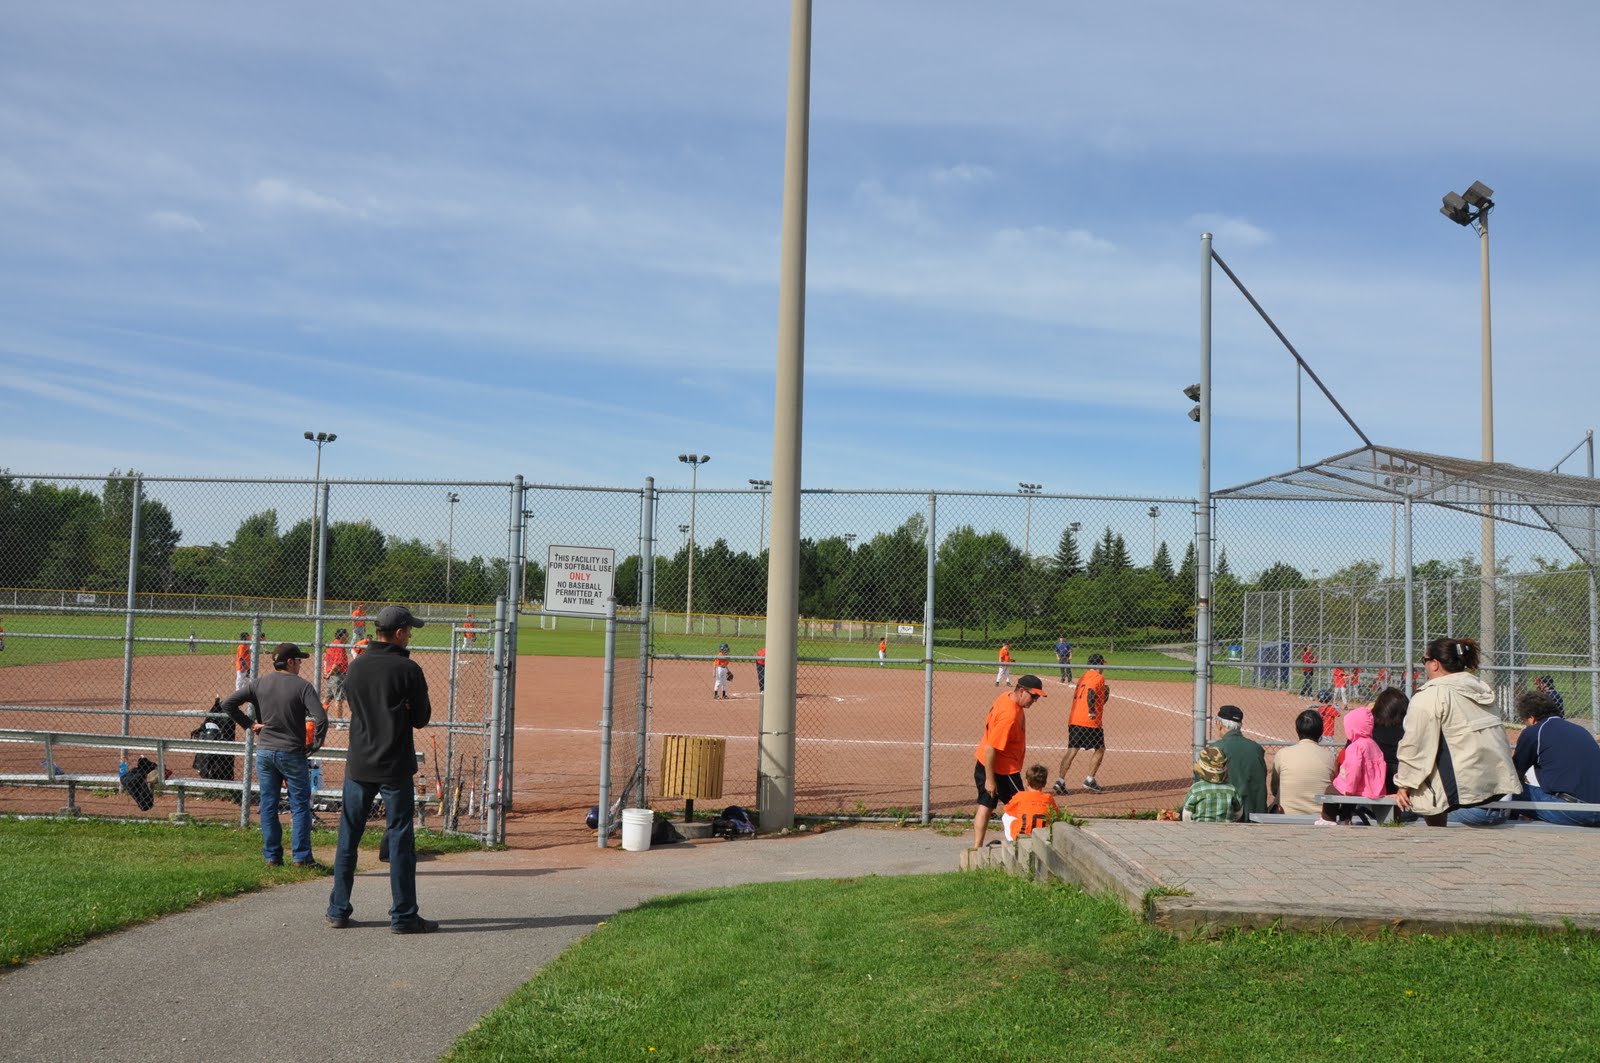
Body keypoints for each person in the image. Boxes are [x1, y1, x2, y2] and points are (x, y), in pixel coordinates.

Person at [327, 604, 436, 933]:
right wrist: (401, 709)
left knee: (349, 837)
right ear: (399, 633)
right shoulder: (408, 670)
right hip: (393, 766)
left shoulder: (357, 666)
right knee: (401, 840)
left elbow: (359, 706)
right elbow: (421, 718)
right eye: (409, 630)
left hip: (359, 763)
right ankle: (403, 916)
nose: (411, 635)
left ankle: (338, 909)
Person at [219, 642, 327, 867]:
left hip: (266, 751)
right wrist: (315, 743)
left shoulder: (259, 683)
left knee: (269, 804)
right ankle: (301, 857)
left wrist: (249, 724)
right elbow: (321, 718)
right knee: (299, 804)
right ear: (289, 662)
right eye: (298, 661)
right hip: (291, 752)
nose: (299, 665)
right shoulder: (302, 686)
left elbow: (228, 704)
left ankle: (272, 856)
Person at [1393, 637, 1519, 828]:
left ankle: (1437, 835)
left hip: (1464, 793)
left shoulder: (1430, 695)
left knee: (1419, 785)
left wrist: (1403, 784)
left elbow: (1415, 745)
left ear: (1435, 664)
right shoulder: (1481, 690)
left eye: (1424, 661)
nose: (1424, 666)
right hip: (1495, 787)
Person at [971, 674, 1047, 848]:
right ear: (1022, 691)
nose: (1035, 701)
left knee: (986, 805)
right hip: (1002, 769)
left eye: (1037, 697)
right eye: (1033, 696)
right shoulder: (1009, 716)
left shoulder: (1006, 696)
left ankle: (977, 848)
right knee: (1023, 807)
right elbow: (991, 748)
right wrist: (991, 780)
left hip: (988, 763)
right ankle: (1021, 846)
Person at [1512, 689, 1600, 827]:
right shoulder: (1580, 730)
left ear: (1531, 718)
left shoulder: (1534, 732)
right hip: (1597, 809)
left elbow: (1514, 776)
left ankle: (1508, 825)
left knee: (1511, 790)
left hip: (1575, 811)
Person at [1053, 653, 1110, 795]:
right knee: (1100, 749)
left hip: (1074, 719)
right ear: (1099, 665)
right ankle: (1090, 780)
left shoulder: (1083, 677)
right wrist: (1091, 711)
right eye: (1103, 664)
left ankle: (1060, 781)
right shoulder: (1098, 678)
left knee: (1072, 750)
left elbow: (1095, 696)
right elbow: (1091, 693)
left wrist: (1104, 696)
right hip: (1089, 721)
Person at [1327, 705, 1387, 824]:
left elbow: (1354, 770)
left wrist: (1349, 788)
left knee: (1330, 790)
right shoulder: (1374, 745)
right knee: (1348, 795)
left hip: (1358, 787)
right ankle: (1345, 817)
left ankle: (1327, 819)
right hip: (1373, 788)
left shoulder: (1355, 746)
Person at [1270, 708, 1336, 815]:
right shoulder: (1330, 757)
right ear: (1321, 731)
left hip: (1287, 816)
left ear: (1297, 729)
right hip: (1319, 817)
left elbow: (1274, 789)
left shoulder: (1283, 754)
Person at [1205, 705, 1266, 820]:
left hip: (1223, 814)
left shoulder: (1215, 749)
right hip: (1253, 816)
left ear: (1220, 724)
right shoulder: (1256, 748)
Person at [1180, 746, 1243, 822]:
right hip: (1225, 830)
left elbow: (1186, 814)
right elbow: (1239, 812)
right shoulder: (1231, 789)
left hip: (1200, 830)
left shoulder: (1196, 789)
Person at [1001, 763, 1058, 840]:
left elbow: (1007, 809)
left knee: (1006, 816)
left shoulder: (1020, 795)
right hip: (1042, 837)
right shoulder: (1049, 798)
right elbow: (1056, 814)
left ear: (1027, 782)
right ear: (1044, 783)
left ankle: (1011, 841)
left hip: (1020, 835)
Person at [1369, 686, 1409, 793]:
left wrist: (1366, 712)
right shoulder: (1409, 732)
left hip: (1373, 785)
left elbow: (1350, 745)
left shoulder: (1370, 730)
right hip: (1403, 783)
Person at [322, 628, 351, 722]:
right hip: (337, 675)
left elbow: (326, 660)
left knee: (327, 699)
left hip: (330, 676)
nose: (348, 638)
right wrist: (330, 673)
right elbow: (338, 663)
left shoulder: (331, 644)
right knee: (338, 699)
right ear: (342, 637)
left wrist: (326, 672)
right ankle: (339, 722)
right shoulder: (339, 646)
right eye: (347, 636)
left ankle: (322, 719)